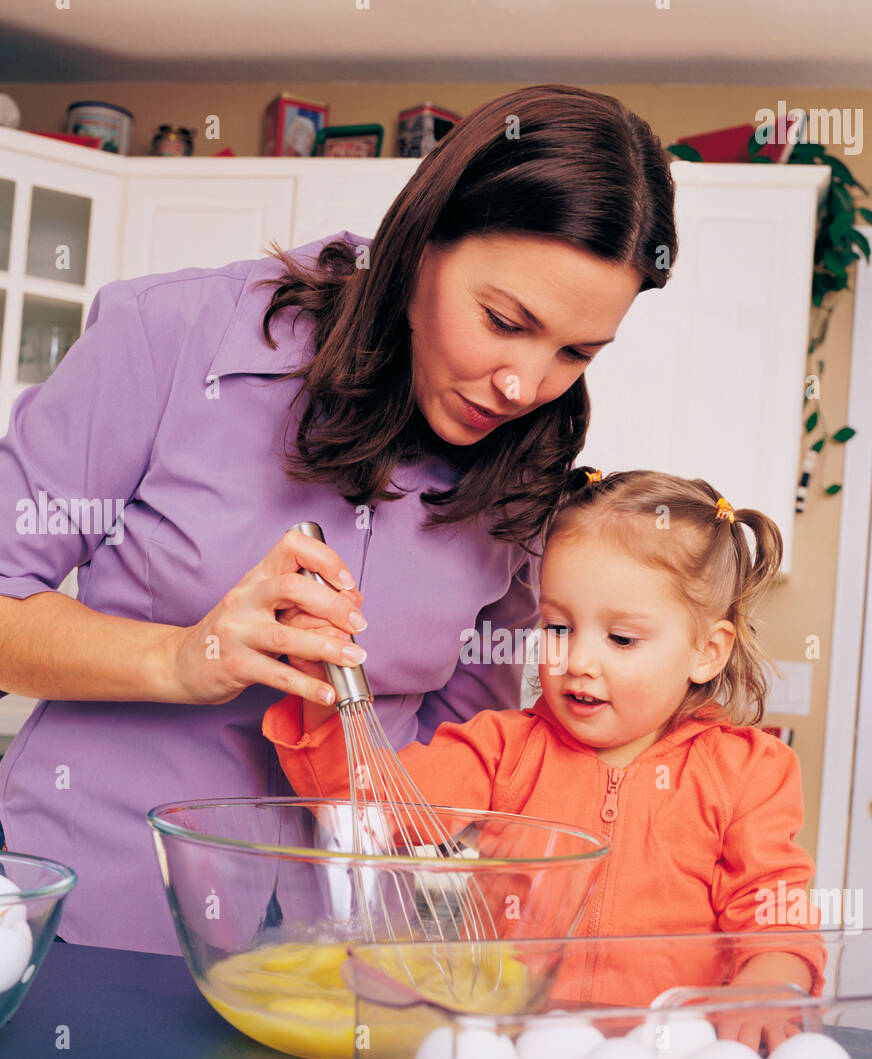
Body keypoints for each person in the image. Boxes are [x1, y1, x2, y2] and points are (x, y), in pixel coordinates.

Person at [0, 85, 677, 952]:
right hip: (105, 918)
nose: (524, 385)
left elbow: (470, 727)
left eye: (577, 352)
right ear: (421, 242)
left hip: (360, 946)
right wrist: (177, 656)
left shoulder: (529, 464)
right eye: (504, 321)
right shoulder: (168, 337)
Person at [264, 471, 827, 1048]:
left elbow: (773, 909)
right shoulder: (503, 750)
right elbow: (375, 806)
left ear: (707, 652)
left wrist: (772, 984)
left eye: (622, 639)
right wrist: (320, 685)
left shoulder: (749, 773)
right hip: (515, 1046)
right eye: (559, 626)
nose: (577, 660)